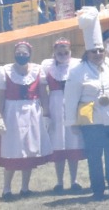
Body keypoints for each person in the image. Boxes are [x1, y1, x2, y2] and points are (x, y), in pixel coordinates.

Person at [64, 8, 109, 200]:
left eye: (100, 50)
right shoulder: (77, 71)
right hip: (92, 122)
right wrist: (72, 123)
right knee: (95, 157)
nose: (98, 54)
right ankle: (97, 189)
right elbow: (70, 99)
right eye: (94, 51)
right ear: (87, 52)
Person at [0, 41, 47, 201]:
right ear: (14, 53)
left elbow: (43, 93)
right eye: (19, 53)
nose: (21, 56)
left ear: (30, 54)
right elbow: (0, 97)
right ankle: (7, 189)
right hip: (12, 112)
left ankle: (25, 187)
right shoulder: (5, 71)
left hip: (32, 112)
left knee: (29, 149)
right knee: (12, 149)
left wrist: (46, 114)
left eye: (25, 53)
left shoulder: (37, 70)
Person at [42, 38, 84, 193]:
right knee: (58, 142)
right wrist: (46, 112)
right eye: (59, 51)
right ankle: (59, 181)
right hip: (55, 105)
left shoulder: (77, 64)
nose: (62, 53)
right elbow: (42, 90)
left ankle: (74, 180)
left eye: (65, 51)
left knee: (72, 141)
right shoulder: (47, 66)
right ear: (54, 51)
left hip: (72, 104)